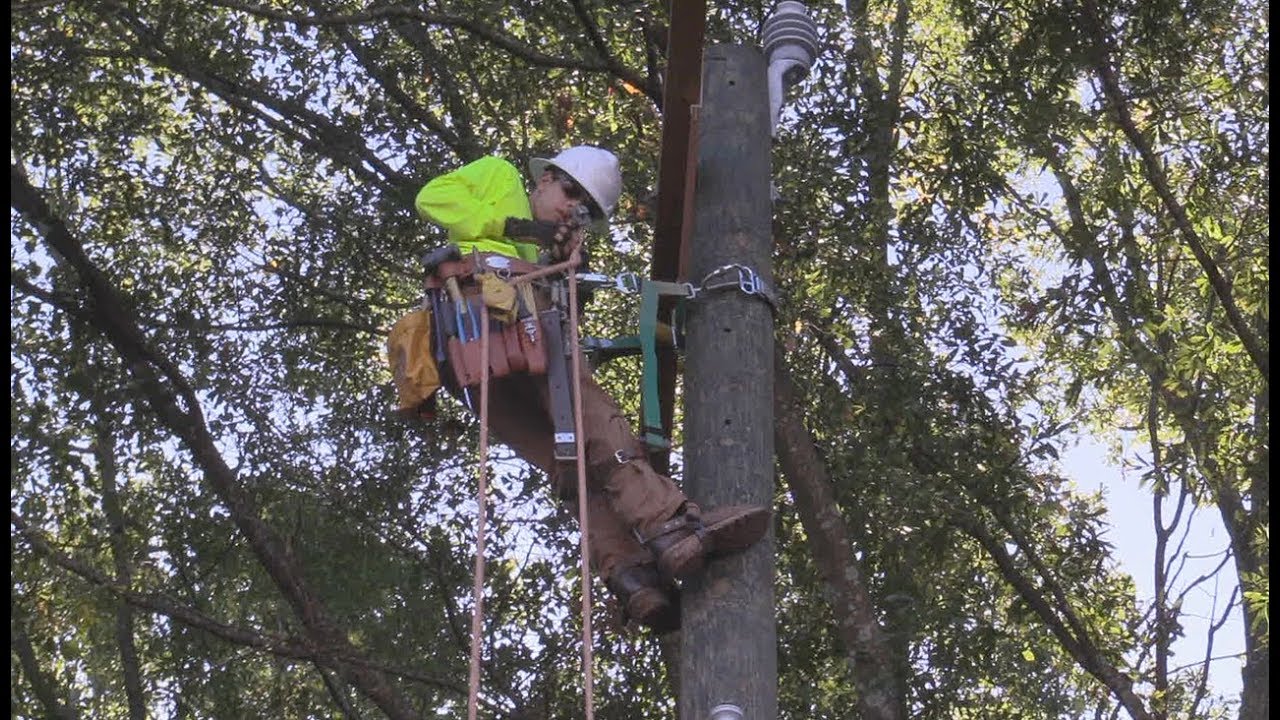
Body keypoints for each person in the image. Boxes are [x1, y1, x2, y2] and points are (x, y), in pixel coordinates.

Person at [414, 146, 769, 633]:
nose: (568, 208)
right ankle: (669, 525)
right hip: (484, 330)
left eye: (583, 208)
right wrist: (518, 228)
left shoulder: (549, 253)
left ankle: (631, 576)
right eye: (568, 192)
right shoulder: (500, 177)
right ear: (543, 181)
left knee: (571, 464)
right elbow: (433, 196)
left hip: (485, 356)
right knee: (597, 422)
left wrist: (562, 265)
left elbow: (562, 311)